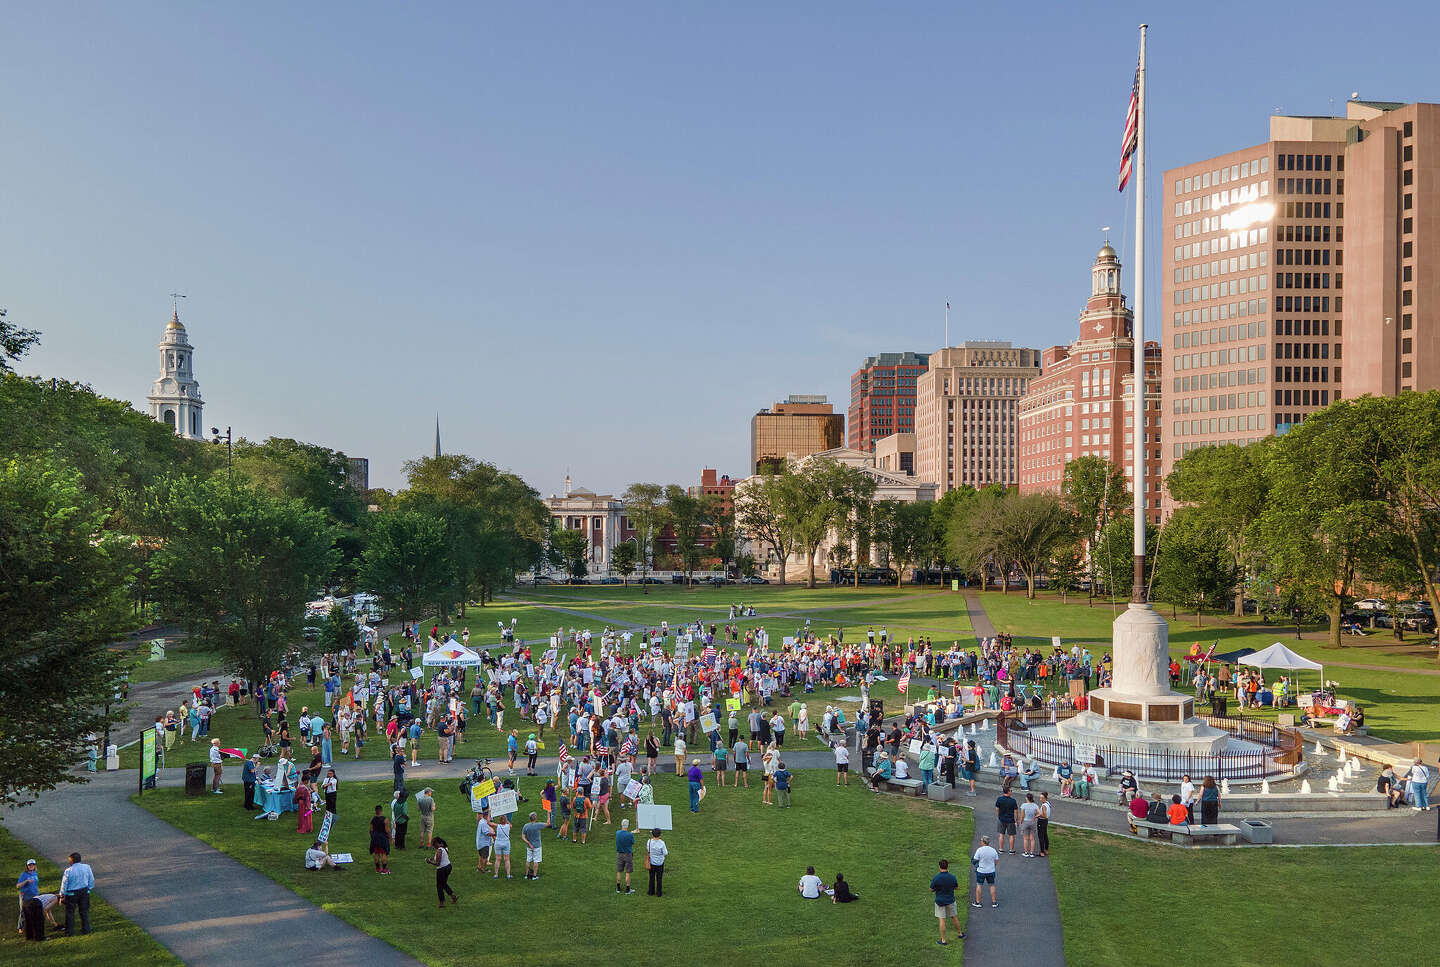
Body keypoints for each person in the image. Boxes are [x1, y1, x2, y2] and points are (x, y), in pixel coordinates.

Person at [929, 859, 966, 945]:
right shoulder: (952, 877)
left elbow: (931, 889)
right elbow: (956, 888)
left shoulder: (936, 878)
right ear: (947, 866)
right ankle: (960, 934)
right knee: (954, 917)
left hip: (940, 901)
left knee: (942, 920)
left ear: (939, 867)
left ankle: (943, 940)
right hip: (950, 900)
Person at [59, 853, 94, 936]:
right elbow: (91, 879)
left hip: (72, 894)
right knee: (84, 911)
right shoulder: (87, 867)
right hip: (84, 892)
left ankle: (69, 932)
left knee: (70, 913)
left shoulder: (68, 871)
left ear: (72, 861)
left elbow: (64, 884)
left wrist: (62, 895)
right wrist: (89, 888)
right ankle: (86, 929)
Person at [17, 857, 44, 941]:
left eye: (33, 864)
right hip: (25, 896)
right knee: (23, 911)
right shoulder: (24, 875)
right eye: (29, 865)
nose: (31, 866)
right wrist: (26, 881)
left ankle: (33, 927)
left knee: (35, 911)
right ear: (27, 866)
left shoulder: (35, 873)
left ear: (35, 865)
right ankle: (20, 927)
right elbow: (18, 886)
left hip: (35, 895)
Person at [427, 837, 458, 907]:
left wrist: (430, 862)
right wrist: (433, 859)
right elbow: (442, 858)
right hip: (448, 867)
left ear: (438, 843)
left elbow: (438, 863)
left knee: (439, 886)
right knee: (443, 884)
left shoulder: (439, 850)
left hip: (442, 869)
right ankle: (453, 896)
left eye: (434, 844)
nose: (434, 846)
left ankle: (442, 903)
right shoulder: (445, 848)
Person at [971, 835, 999, 909]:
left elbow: (975, 860)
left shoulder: (979, 850)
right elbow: (996, 861)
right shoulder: (993, 850)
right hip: (991, 871)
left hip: (981, 871)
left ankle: (978, 902)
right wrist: (992, 867)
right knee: (992, 885)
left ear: (983, 842)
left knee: (979, 885)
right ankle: (994, 902)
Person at [521, 812, 545, 879]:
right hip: (537, 846)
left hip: (529, 846)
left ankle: (526, 875)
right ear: (536, 818)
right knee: (536, 861)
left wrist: (528, 843)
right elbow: (548, 823)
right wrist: (548, 814)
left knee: (528, 860)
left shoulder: (526, 826)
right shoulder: (538, 825)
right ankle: (534, 876)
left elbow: (523, 837)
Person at [368, 805, 392, 874]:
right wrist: (391, 838)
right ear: (381, 811)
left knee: (376, 853)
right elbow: (387, 830)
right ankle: (384, 869)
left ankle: (377, 868)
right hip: (382, 838)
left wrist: (372, 836)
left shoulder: (373, 819)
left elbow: (370, 830)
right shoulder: (385, 820)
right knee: (383, 853)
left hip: (375, 837)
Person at [995, 788, 1019, 854]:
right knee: (1011, 835)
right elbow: (1016, 812)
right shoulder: (1013, 801)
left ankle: (1001, 849)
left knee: (1001, 834)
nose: (1011, 792)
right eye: (1011, 791)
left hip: (1002, 819)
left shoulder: (999, 799)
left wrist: (998, 816)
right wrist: (1016, 820)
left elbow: (997, 809)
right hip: (1010, 820)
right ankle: (1011, 850)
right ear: (1008, 792)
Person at [615, 819, 636, 894]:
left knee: (619, 871)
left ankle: (618, 888)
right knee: (627, 872)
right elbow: (633, 842)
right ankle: (627, 889)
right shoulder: (629, 835)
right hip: (628, 854)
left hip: (619, 854)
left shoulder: (617, 833)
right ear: (627, 826)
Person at [645, 828, 668, 897]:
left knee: (651, 877)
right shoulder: (662, 843)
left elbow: (648, 849)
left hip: (651, 862)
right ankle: (659, 893)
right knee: (659, 878)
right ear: (660, 835)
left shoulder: (649, 842)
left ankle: (651, 892)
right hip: (660, 863)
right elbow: (665, 853)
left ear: (652, 834)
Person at [1019, 793, 1040, 857]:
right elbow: (1040, 813)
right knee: (1032, 839)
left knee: (1025, 839)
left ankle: (1026, 853)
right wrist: (1035, 817)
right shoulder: (1035, 805)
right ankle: (1031, 853)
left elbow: (1022, 816)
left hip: (1025, 822)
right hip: (1032, 822)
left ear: (1027, 798)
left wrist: (1021, 822)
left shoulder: (1023, 805)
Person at [1036, 792, 1052, 857]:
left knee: (1041, 836)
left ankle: (1042, 851)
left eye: (1041, 798)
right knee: (1045, 835)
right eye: (1040, 798)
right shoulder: (1048, 803)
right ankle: (1046, 849)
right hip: (1046, 821)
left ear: (1044, 798)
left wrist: (1037, 815)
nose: (1040, 799)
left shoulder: (1043, 806)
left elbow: (1044, 815)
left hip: (1041, 821)